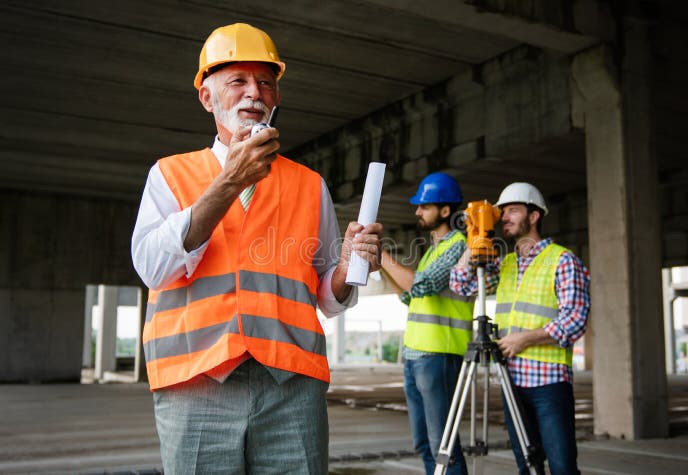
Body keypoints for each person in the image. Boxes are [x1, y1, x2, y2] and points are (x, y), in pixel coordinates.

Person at [130, 23, 382, 474]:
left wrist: (346, 270)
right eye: (238, 81)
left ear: (277, 97)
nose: (254, 93)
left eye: (266, 83)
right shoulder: (169, 175)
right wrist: (229, 181)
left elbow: (327, 296)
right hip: (195, 382)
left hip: (292, 385)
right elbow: (153, 268)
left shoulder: (309, 184)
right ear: (207, 98)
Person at [450, 182, 590, 475]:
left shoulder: (562, 260)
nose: (504, 217)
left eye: (513, 210)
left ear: (534, 215)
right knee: (527, 467)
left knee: (562, 467)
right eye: (502, 212)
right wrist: (473, 240)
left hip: (549, 382)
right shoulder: (505, 264)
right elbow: (461, 285)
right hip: (512, 382)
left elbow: (575, 319)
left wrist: (524, 339)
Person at [380, 172, 473, 475]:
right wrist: (379, 267)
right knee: (424, 444)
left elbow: (421, 285)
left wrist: (383, 255)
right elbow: (410, 297)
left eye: (425, 206)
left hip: (439, 357)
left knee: (443, 447)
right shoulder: (432, 252)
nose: (417, 211)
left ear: (445, 210)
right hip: (415, 356)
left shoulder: (458, 246)